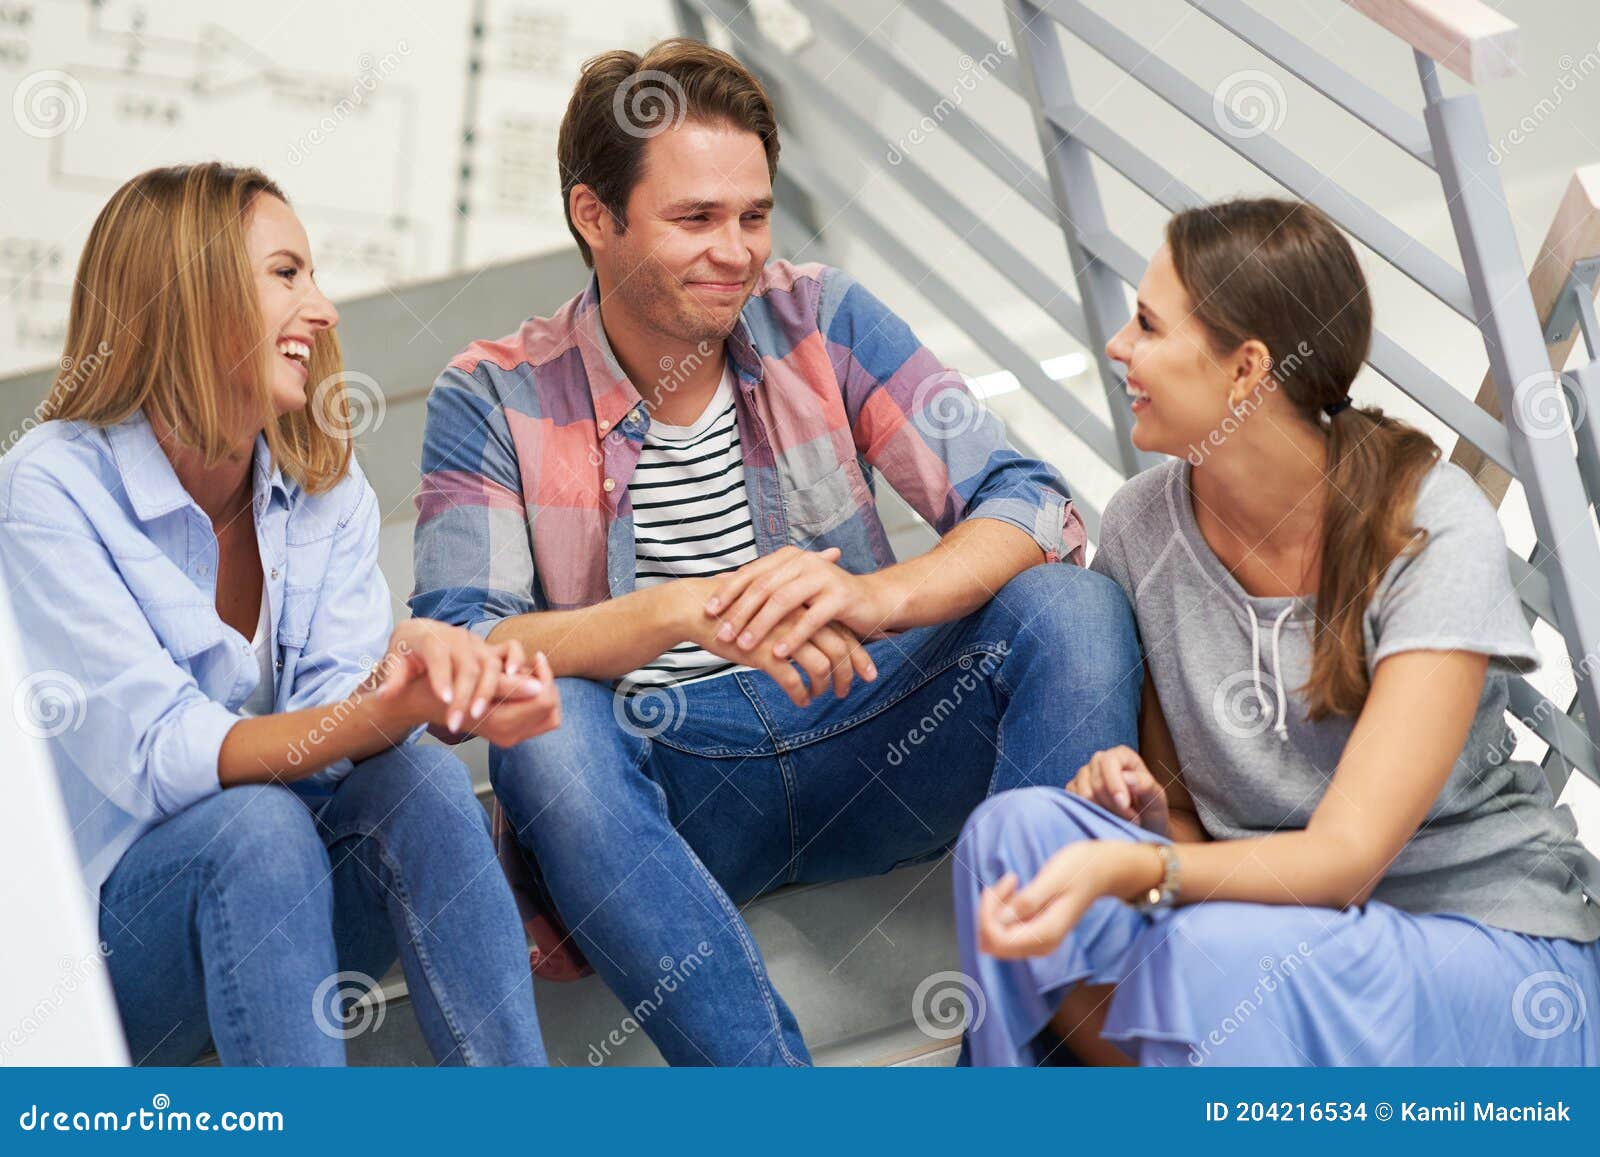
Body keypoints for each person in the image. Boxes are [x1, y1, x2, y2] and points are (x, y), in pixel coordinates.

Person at [410, 39, 1139, 1066]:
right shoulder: (492, 393)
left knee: (1074, 608)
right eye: (695, 219)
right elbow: (461, 646)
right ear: (594, 216)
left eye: (752, 215)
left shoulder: (823, 316)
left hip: (871, 729)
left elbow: (1030, 502)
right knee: (546, 725)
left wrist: (880, 600)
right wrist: (680, 611)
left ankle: (1013, 1079)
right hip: (675, 781)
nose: (737, 251)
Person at [955, 197, 1600, 1066]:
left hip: (1474, 942)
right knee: (1012, 841)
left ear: (1246, 368)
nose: (1117, 346)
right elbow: (1185, 823)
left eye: (1147, 324)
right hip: (1264, 937)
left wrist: (1136, 870)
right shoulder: (1144, 526)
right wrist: (1149, 815)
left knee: (1220, 960)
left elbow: (1344, 862)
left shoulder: (1427, 525)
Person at [0, 163, 560, 1066]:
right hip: (108, 967)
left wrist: (410, 683)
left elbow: (341, 722)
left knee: (419, 784)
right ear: (193, 293)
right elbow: (159, 756)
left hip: (286, 913)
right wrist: (380, 706)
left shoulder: (320, 485)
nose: (325, 309)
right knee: (256, 828)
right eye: (288, 274)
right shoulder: (50, 489)